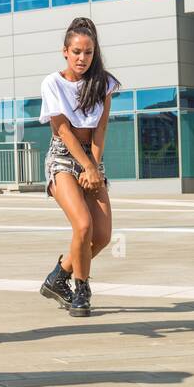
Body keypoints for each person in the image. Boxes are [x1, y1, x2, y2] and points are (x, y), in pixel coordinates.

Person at [37, 17, 119, 318]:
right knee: (83, 225)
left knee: (104, 235)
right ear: (65, 52)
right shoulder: (52, 83)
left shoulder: (104, 83)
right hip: (62, 157)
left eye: (88, 52)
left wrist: (93, 167)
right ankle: (81, 289)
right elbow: (63, 131)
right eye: (76, 52)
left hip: (92, 159)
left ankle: (59, 276)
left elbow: (100, 129)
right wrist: (86, 166)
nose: (82, 58)